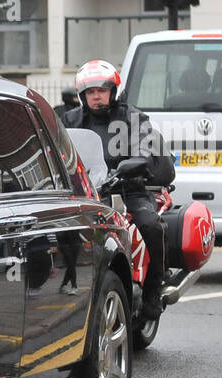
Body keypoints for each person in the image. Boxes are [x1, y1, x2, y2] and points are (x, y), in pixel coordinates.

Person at [61, 59, 175, 316]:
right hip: (88, 190)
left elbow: (145, 144)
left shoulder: (132, 117)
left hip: (127, 187)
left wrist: (136, 162)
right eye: (90, 92)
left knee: (150, 225)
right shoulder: (70, 119)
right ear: (83, 95)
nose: (96, 96)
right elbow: (59, 149)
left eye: (101, 90)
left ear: (112, 91)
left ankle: (153, 291)